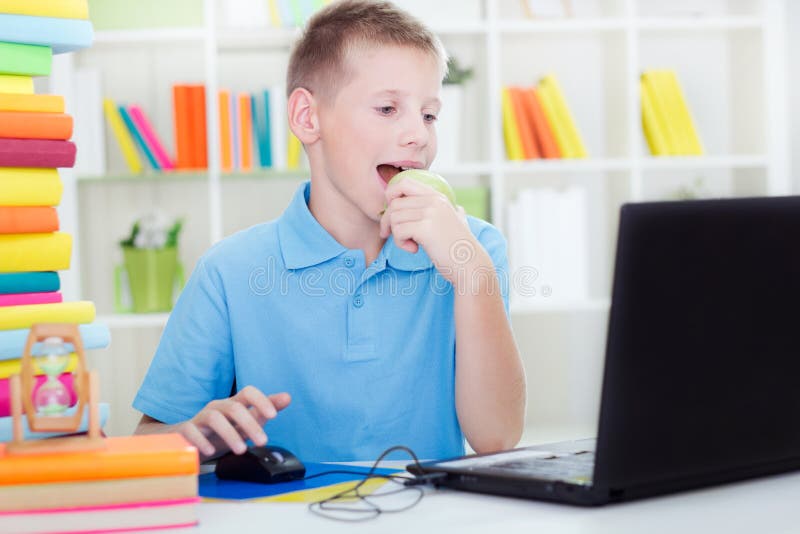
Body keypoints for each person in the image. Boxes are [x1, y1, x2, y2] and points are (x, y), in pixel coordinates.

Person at [132, 0, 526, 462]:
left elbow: (497, 438)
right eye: (387, 108)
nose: (419, 135)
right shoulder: (229, 272)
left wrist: (470, 269)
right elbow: (144, 444)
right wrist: (195, 438)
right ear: (307, 117)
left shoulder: (473, 249)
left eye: (429, 114)